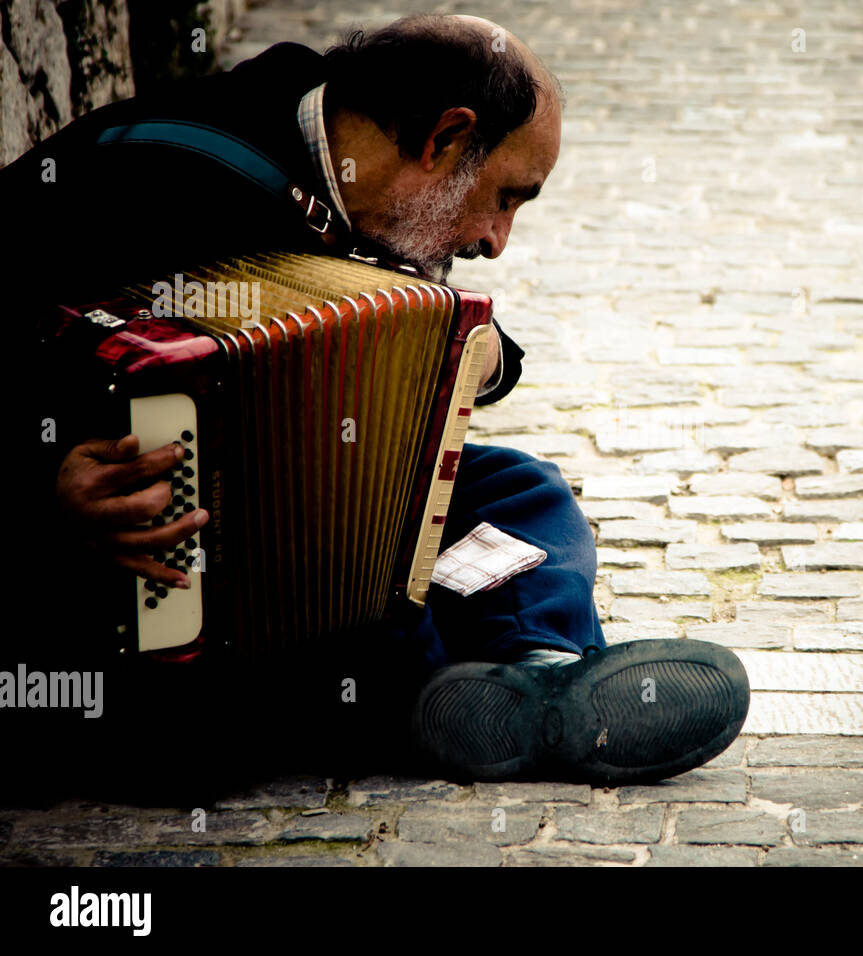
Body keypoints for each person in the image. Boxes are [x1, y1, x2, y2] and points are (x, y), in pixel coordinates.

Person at [3, 14, 748, 792]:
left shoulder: (360, 175)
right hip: (140, 568)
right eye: (505, 198)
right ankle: (461, 691)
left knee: (517, 489)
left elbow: (481, 348)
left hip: (305, 500)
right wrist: (46, 480)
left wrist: (469, 351)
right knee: (353, 621)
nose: (497, 241)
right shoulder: (155, 174)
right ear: (446, 140)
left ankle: (539, 666)